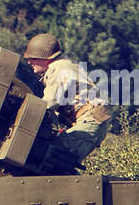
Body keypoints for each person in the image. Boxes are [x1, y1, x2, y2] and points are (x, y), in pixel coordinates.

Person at [22, 32, 114, 172]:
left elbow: (47, 104)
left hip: (90, 120)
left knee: (51, 157)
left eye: (32, 58)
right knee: (55, 159)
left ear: (45, 58)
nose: (29, 62)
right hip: (91, 119)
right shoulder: (65, 65)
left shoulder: (58, 68)